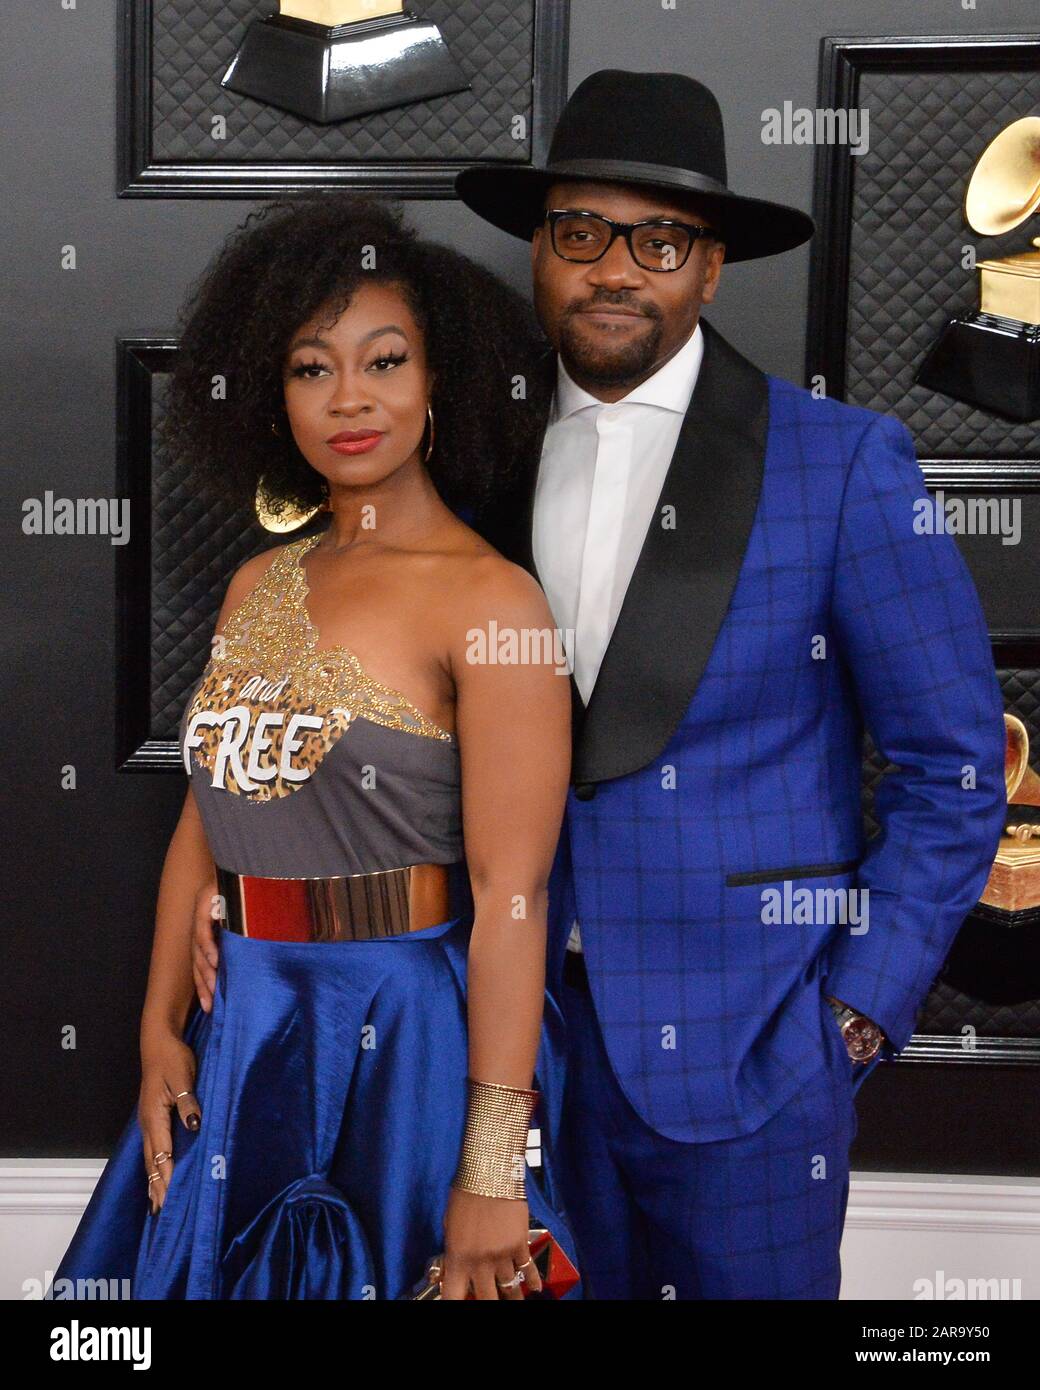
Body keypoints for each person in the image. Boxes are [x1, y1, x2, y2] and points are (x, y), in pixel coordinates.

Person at [449, 69, 1009, 1298]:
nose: (613, 268)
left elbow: (955, 770)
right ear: (538, 252)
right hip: (506, 1054)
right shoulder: (468, 456)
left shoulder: (843, 461)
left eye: (659, 239)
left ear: (709, 270)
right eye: (580, 231)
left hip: (753, 1055)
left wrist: (852, 1013)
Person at [49, 193, 578, 1301]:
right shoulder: (258, 582)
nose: (349, 398)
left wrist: (489, 1169)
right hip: (245, 1021)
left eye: (383, 361)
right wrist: (159, 1025)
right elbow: (208, 807)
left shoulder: (494, 600)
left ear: (438, 385)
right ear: (270, 395)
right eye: (309, 367)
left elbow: (513, 894)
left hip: (404, 1032)